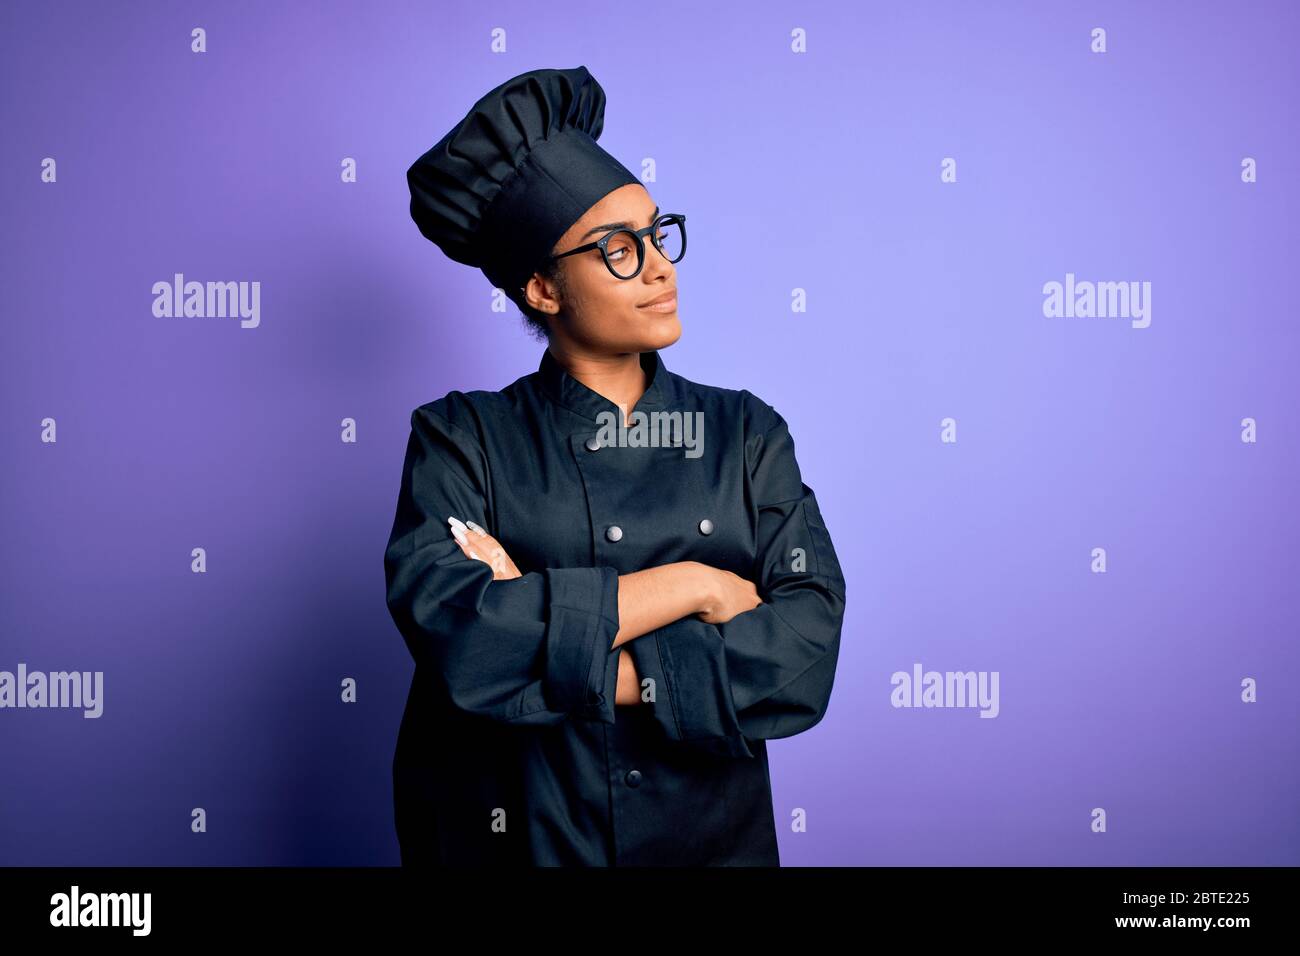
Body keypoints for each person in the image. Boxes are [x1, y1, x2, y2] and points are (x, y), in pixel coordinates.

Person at [387, 65, 847, 866]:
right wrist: (693, 585)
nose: (661, 267)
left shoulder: (744, 432)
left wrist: (573, 649)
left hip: (711, 842)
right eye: (618, 251)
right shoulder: (462, 436)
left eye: (656, 234)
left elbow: (806, 643)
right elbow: (462, 642)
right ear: (542, 288)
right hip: (521, 841)